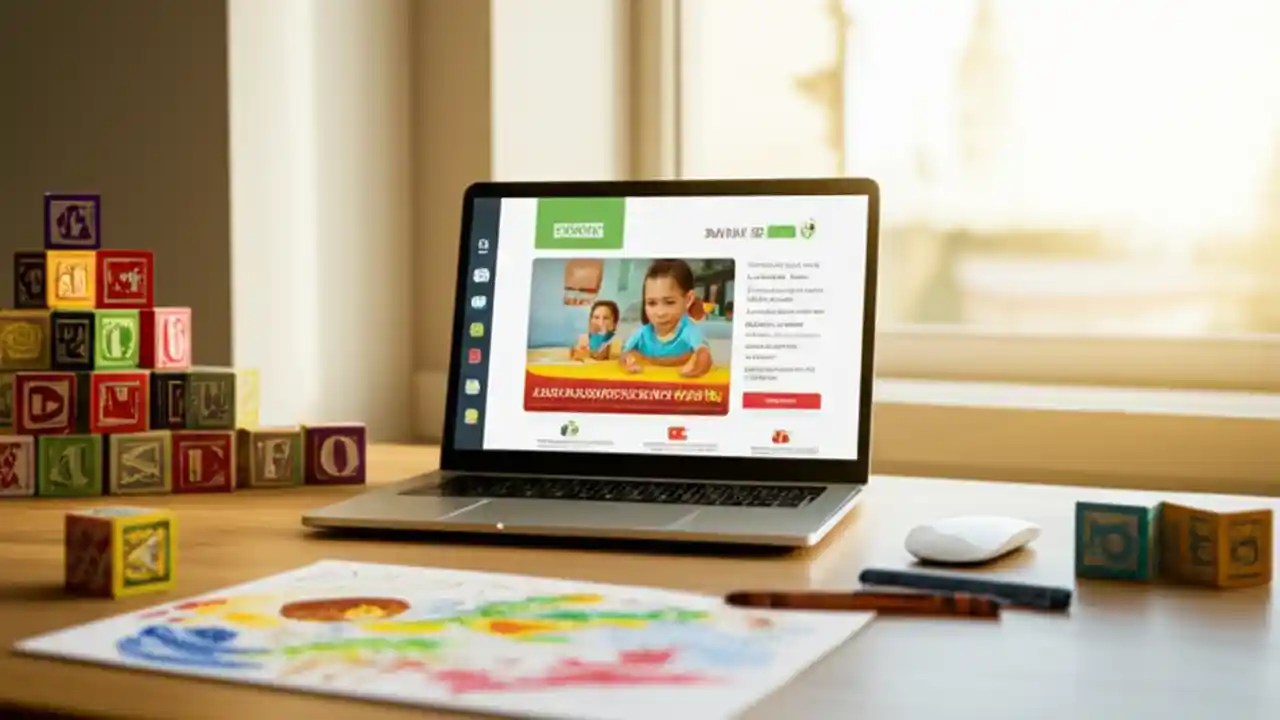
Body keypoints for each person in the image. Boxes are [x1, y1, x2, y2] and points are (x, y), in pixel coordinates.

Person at [619, 259, 713, 378]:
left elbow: (703, 354)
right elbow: (624, 354)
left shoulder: (688, 331)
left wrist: (697, 364)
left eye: (669, 302)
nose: (660, 313)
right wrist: (628, 360)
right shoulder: (642, 334)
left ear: (688, 299)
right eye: (652, 303)